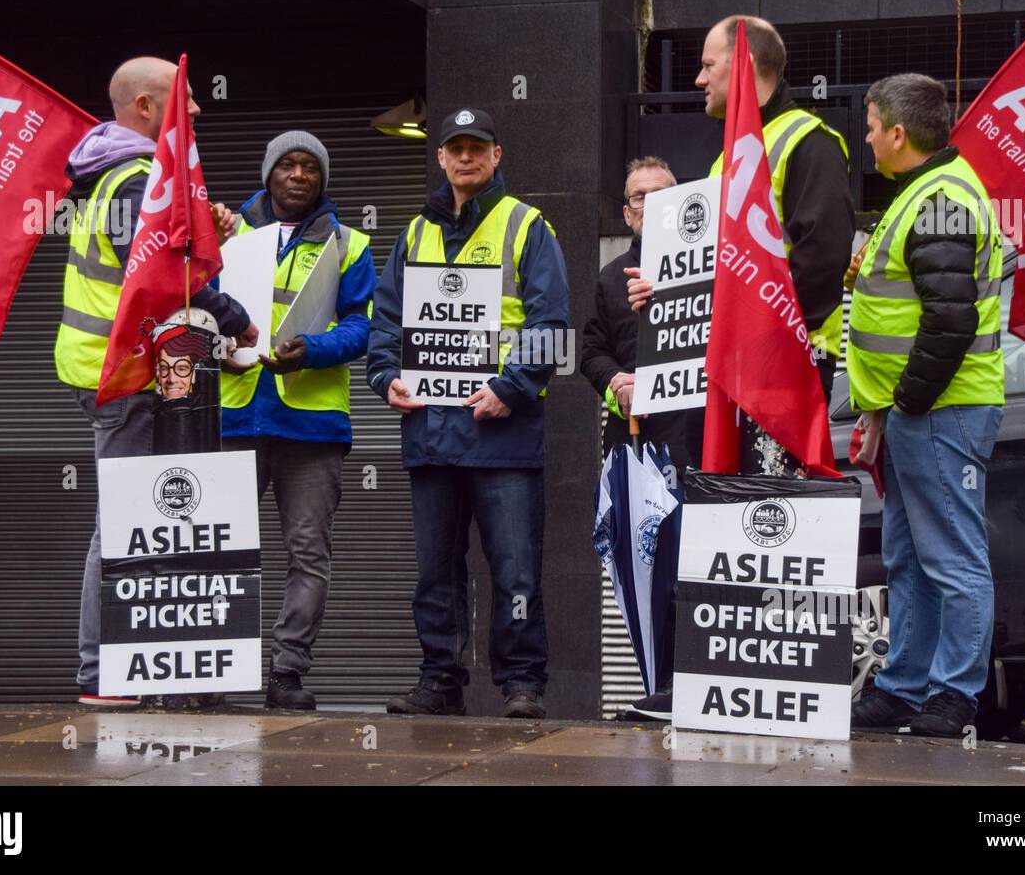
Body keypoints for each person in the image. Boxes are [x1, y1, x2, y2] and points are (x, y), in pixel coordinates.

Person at [55, 56, 256, 707]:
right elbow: (170, 276)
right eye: (183, 99)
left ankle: (127, 670)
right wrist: (237, 322)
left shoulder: (112, 175)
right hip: (125, 376)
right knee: (123, 524)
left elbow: (166, 259)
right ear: (145, 106)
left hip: (118, 371)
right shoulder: (138, 178)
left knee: (137, 519)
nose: (196, 111)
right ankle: (103, 674)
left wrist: (211, 234)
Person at [367, 107, 570, 719]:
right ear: (440, 158)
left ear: (496, 155)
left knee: (515, 572)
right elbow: (386, 323)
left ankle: (522, 684)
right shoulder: (412, 234)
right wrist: (385, 378)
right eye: (454, 148)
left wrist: (509, 388)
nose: (465, 157)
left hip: (502, 432)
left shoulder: (527, 226)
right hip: (432, 432)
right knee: (435, 574)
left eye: (476, 147)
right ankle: (439, 679)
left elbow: (552, 328)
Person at [846, 73, 1004, 737]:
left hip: (939, 410)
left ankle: (952, 693)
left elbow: (949, 319)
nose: (868, 136)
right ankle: (905, 687)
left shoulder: (938, 199)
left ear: (899, 134)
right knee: (912, 557)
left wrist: (905, 400)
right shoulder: (928, 194)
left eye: (873, 125)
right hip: (921, 411)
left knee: (953, 558)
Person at [628, 14, 855, 474]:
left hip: (782, 371)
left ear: (745, 63)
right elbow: (711, 269)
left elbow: (823, 259)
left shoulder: (809, 142)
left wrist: (756, 340)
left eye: (709, 66)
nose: (698, 79)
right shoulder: (724, 159)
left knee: (771, 520)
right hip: (724, 372)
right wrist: (662, 295)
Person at [220, 131, 377, 711]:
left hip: (310, 426)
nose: (298, 175)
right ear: (268, 173)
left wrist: (312, 348)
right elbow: (189, 305)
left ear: (322, 179)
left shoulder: (349, 243)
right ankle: (214, 667)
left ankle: (287, 672)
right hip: (233, 415)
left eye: (310, 167)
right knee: (222, 550)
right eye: (286, 164)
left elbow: (365, 328)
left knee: (308, 552)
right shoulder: (226, 234)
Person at [581, 156, 703, 467]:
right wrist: (617, 383)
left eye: (660, 196)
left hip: (698, 437)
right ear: (627, 213)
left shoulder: (709, 268)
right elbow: (592, 353)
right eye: (640, 197)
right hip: (634, 440)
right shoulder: (610, 277)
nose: (650, 205)